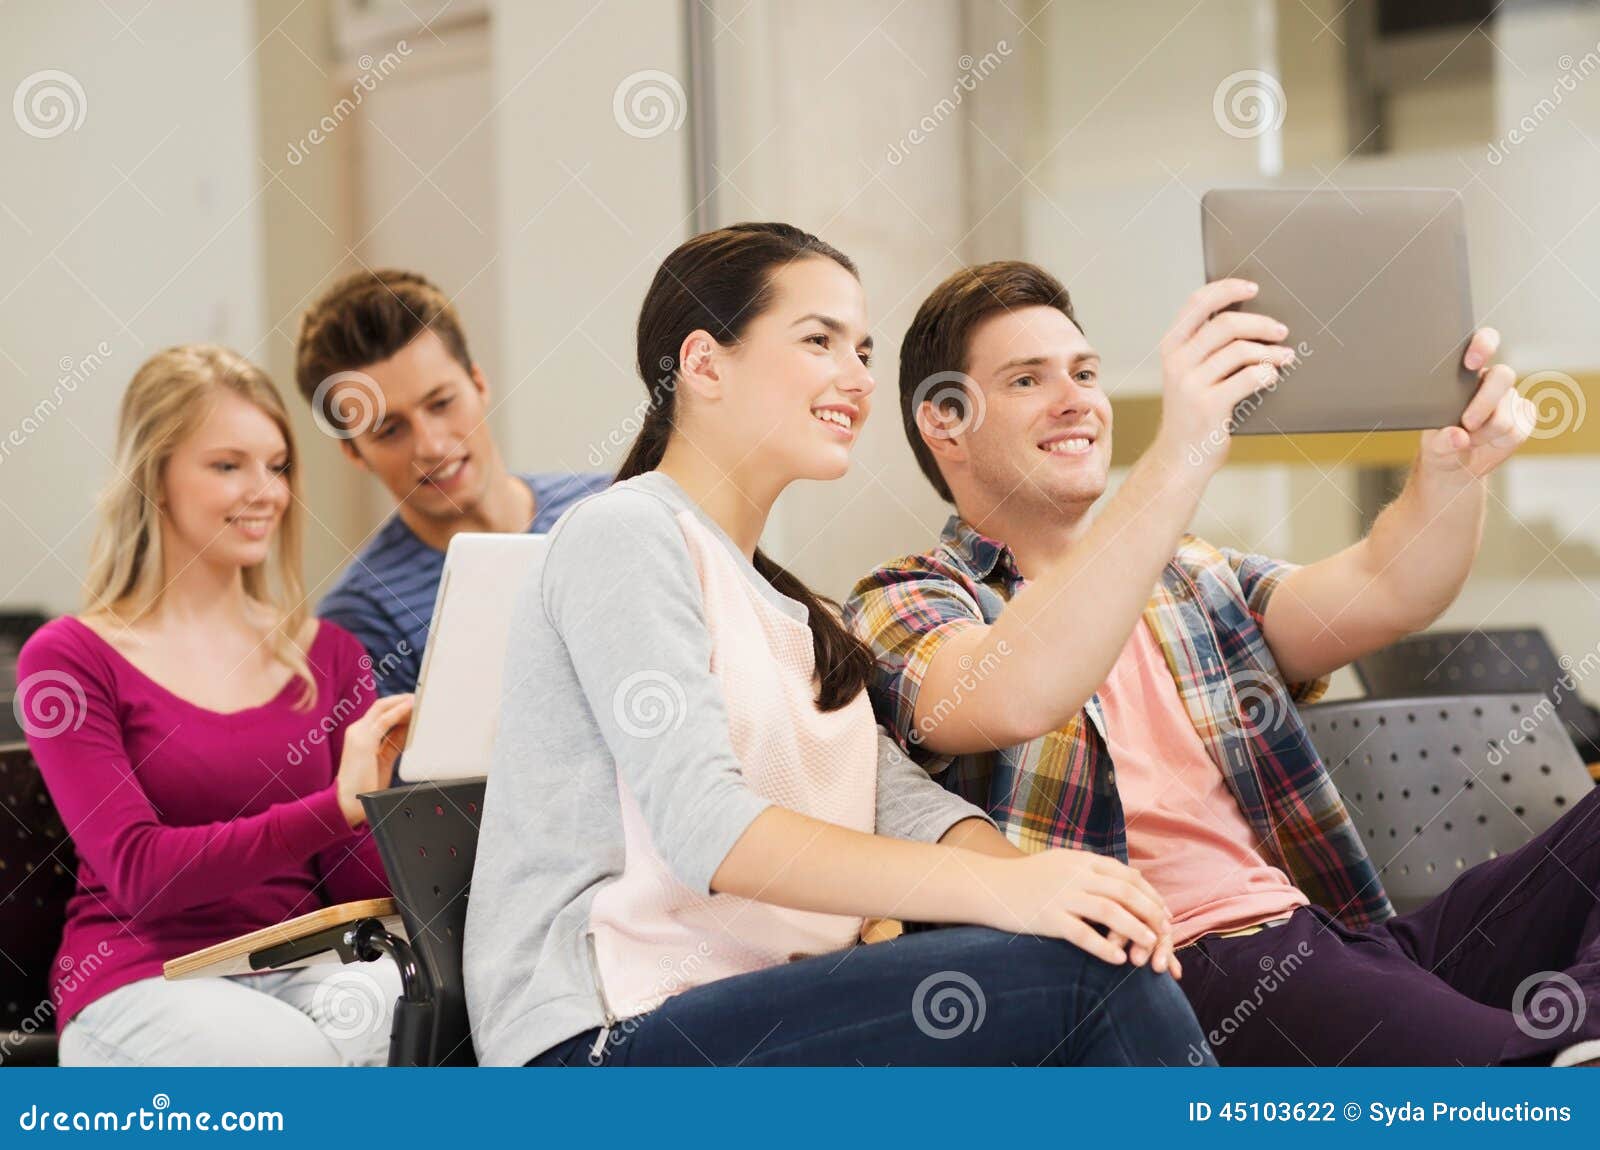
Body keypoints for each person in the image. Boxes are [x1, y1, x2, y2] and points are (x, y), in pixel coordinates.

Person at [464, 224, 1212, 1068]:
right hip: (603, 1035)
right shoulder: (624, 534)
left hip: (741, 1004)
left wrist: (1058, 890)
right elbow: (714, 830)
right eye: (819, 340)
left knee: (1100, 953)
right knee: (1089, 986)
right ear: (704, 365)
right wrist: (1010, 890)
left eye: (862, 349)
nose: (858, 379)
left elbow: (908, 809)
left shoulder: (793, 606)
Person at [846, 259, 1600, 1066]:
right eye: (1029, 379)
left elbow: (1388, 586)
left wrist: (1450, 470)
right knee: (1517, 1086)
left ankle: (1557, 1045)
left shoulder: (1187, 574)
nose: (1077, 400)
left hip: (1330, 936)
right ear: (945, 421)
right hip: (1177, 976)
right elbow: (1010, 691)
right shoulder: (908, 601)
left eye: (1087, 373)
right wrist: (1187, 444)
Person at [16, 346, 413, 1066]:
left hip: (299, 962)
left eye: (278, 464)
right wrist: (338, 804)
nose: (264, 489)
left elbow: (355, 881)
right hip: (143, 978)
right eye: (228, 465)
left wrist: (404, 803)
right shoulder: (69, 659)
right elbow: (139, 869)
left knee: (407, 1010)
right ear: (155, 478)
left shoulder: (329, 656)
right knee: (288, 1059)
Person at [294, 269, 610, 694]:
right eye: (390, 431)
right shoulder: (362, 620)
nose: (431, 445)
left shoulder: (612, 505)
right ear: (353, 452)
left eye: (441, 403)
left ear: (478, 383)